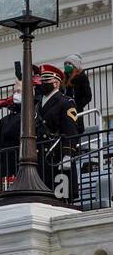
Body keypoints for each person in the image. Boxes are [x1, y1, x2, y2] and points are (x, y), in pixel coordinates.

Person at [36, 64, 81, 202]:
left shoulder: (66, 102)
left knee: (61, 199)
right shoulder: (37, 105)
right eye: (42, 81)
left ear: (56, 83)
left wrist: (68, 154)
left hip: (58, 154)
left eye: (46, 81)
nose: (42, 84)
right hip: (42, 156)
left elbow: (70, 129)